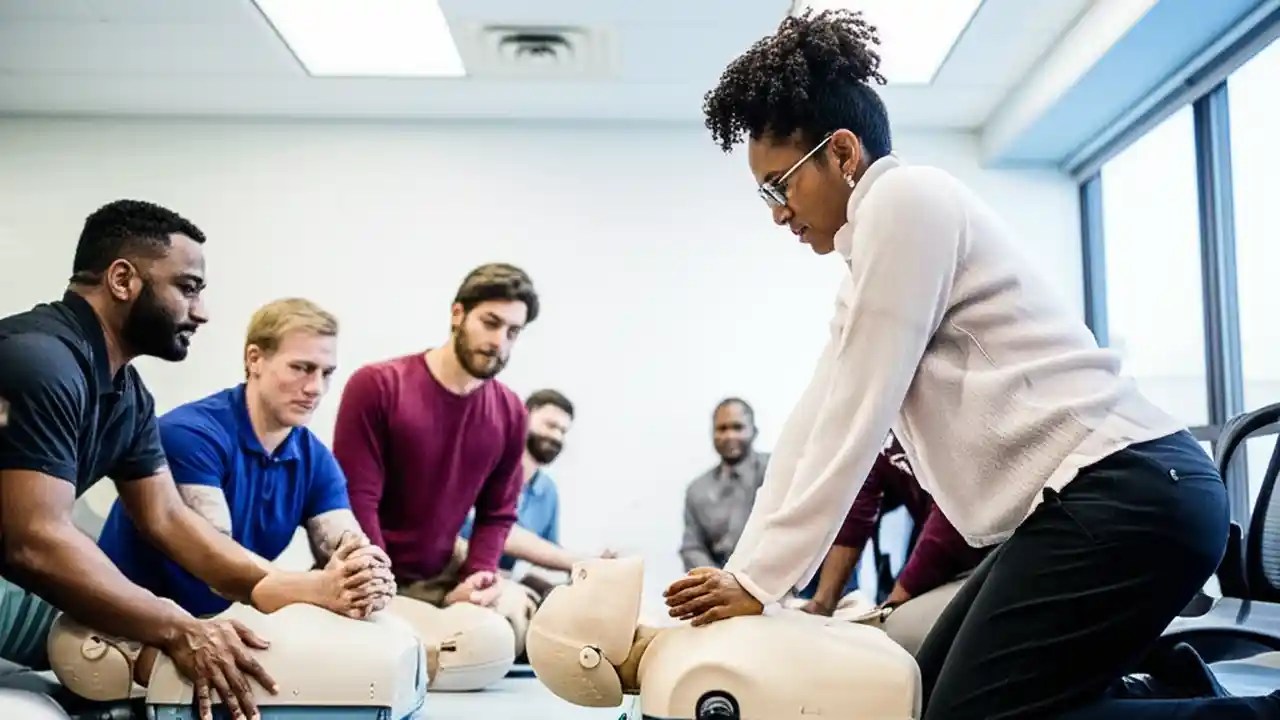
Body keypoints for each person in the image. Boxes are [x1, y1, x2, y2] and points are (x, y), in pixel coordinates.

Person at [661, 10, 1280, 719]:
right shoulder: (868, 256)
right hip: (1097, 503)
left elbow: (859, 412)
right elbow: (814, 420)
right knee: (918, 695)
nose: (776, 213)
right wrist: (747, 574)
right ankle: (1174, 688)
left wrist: (761, 581)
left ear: (841, 154)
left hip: (1130, 491)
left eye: (780, 186)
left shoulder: (904, 199)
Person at [0, 200, 356, 720]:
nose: (203, 310)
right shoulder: (39, 361)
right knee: (116, 657)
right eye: (188, 288)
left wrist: (287, 588)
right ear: (123, 280)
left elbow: (169, 519)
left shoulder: (129, 395)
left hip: (25, 578)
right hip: (17, 574)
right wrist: (175, 624)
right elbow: (33, 541)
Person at [89, 297, 395, 686]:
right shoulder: (190, 435)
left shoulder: (315, 459)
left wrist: (366, 572)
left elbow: (348, 545)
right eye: (301, 368)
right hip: (137, 628)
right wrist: (316, 587)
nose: (315, 388)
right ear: (255, 359)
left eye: (326, 372)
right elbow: (217, 567)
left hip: (231, 622)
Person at [333, 263, 540, 651]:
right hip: (369, 574)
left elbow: (497, 513)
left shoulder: (511, 412)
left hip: (444, 577)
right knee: (404, 648)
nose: (500, 342)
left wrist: (477, 579)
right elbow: (357, 497)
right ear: (457, 314)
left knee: (511, 624)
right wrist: (379, 585)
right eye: (490, 323)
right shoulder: (377, 385)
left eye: (513, 332)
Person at [799, 434, 988, 617]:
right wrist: (823, 603)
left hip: (991, 553)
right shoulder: (888, 428)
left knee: (907, 630)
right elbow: (859, 505)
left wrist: (889, 611)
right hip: (944, 531)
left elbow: (949, 519)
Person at [459, 389, 612, 589]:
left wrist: (594, 566)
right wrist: (581, 561)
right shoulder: (485, 465)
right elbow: (498, 533)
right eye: (550, 425)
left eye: (563, 431)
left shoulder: (547, 491)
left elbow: (547, 557)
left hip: (506, 582)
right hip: (461, 574)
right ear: (523, 417)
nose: (556, 436)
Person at [679, 398, 771, 571]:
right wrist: (715, 581)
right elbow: (692, 547)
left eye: (738, 427)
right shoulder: (697, 489)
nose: (730, 436)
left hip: (773, 580)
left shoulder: (775, 472)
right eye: (722, 429)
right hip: (719, 582)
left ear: (754, 431)